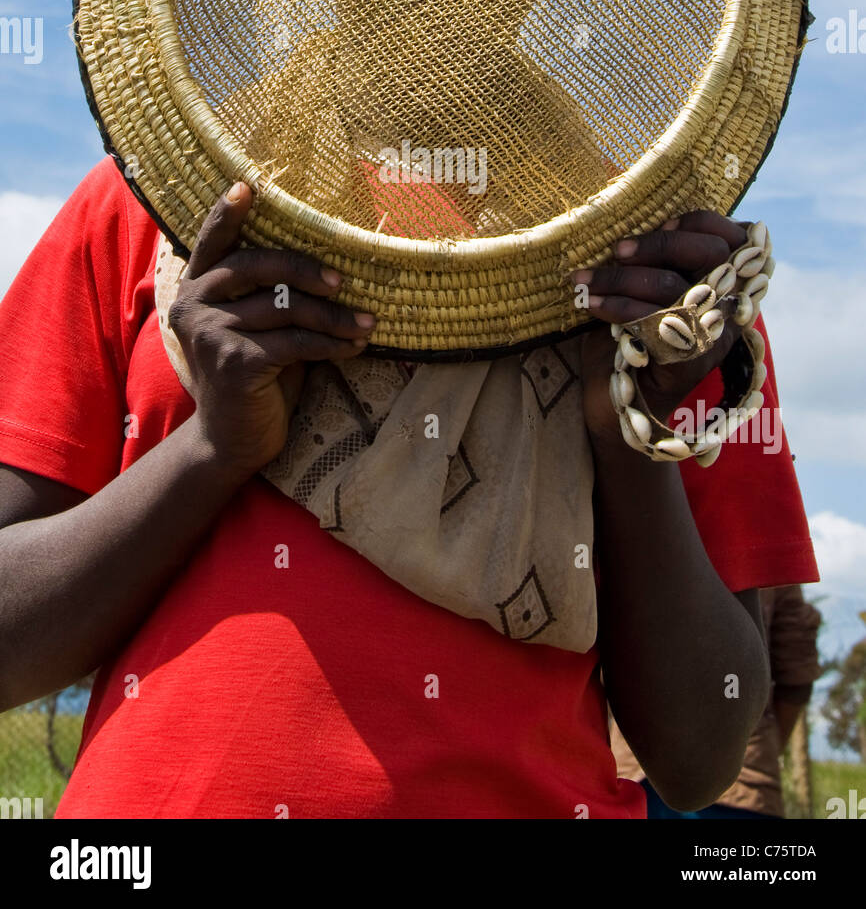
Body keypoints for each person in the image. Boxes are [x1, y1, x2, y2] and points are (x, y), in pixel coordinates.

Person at [0, 160, 818, 819]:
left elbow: (702, 755)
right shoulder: (157, 199)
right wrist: (213, 450)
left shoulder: (665, 284)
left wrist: (625, 429)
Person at [610, 584, 822, 819]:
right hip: (744, 784)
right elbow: (797, 673)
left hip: (641, 771)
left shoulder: (631, 548)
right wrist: (754, 747)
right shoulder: (773, 556)